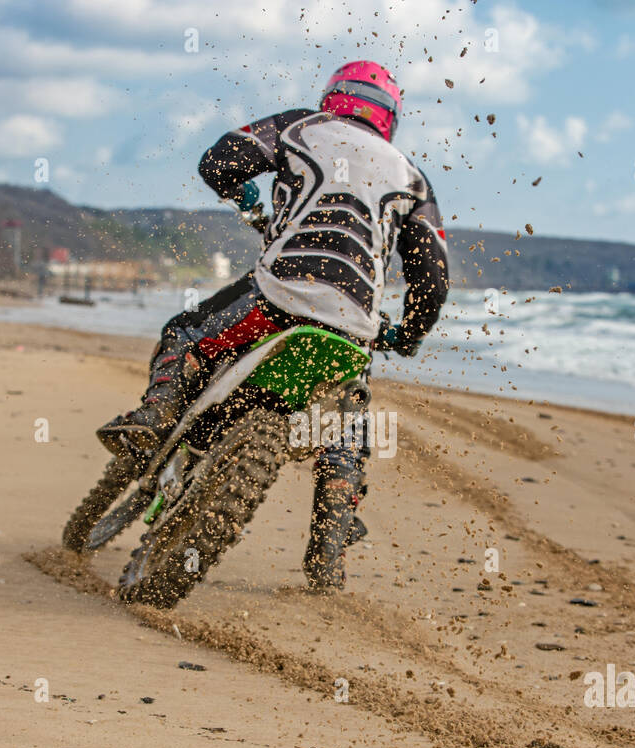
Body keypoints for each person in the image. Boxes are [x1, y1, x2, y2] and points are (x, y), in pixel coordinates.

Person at [97, 60, 450, 590]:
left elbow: (220, 160)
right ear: (390, 117)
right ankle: (329, 547)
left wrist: (243, 195)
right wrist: (409, 334)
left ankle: (154, 416)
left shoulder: (301, 126)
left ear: (334, 97)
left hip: (277, 297)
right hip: (354, 323)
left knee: (187, 335)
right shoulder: (413, 178)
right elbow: (433, 278)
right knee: (346, 418)